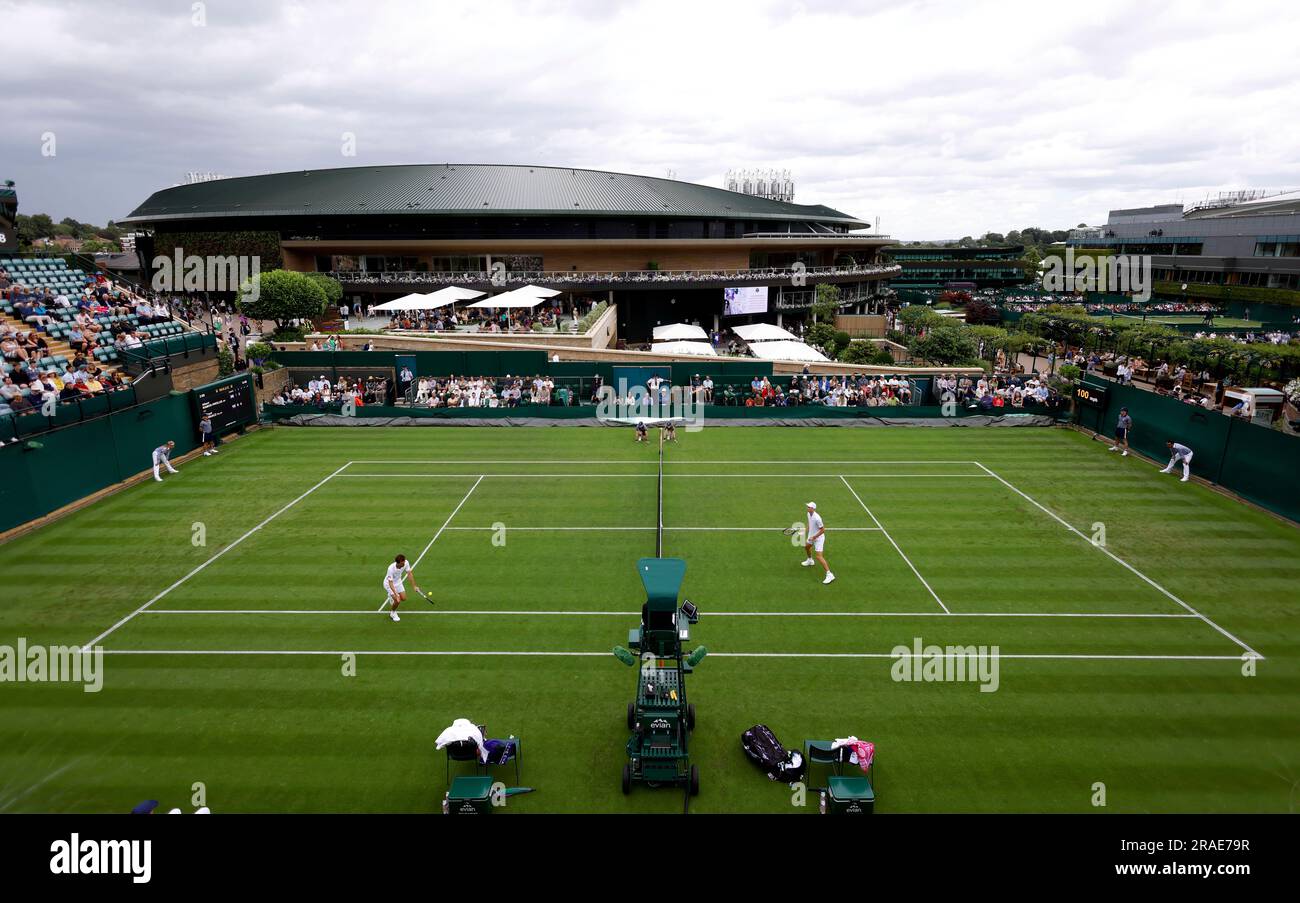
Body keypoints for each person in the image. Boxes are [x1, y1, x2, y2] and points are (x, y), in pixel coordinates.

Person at [800, 501, 835, 585]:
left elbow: (823, 530)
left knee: (819, 557)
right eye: (807, 506)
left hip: (819, 538)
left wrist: (814, 537)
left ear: (813, 509)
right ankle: (810, 560)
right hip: (812, 536)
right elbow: (809, 523)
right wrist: (805, 530)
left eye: (809, 507)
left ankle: (829, 574)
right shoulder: (808, 514)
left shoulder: (817, 518)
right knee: (806, 547)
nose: (807, 508)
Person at [382, 553, 424, 623]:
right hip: (389, 584)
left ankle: (391, 596)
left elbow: (409, 574)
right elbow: (390, 583)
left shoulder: (406, 562)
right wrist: (395, 594)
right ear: (398, 563)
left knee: (403, 598)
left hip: (398, 582)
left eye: (404, 561)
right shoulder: (391, 569)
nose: (404, 563)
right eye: (403, 562)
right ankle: (392, 613)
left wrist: (414, 586)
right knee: (397, 600)